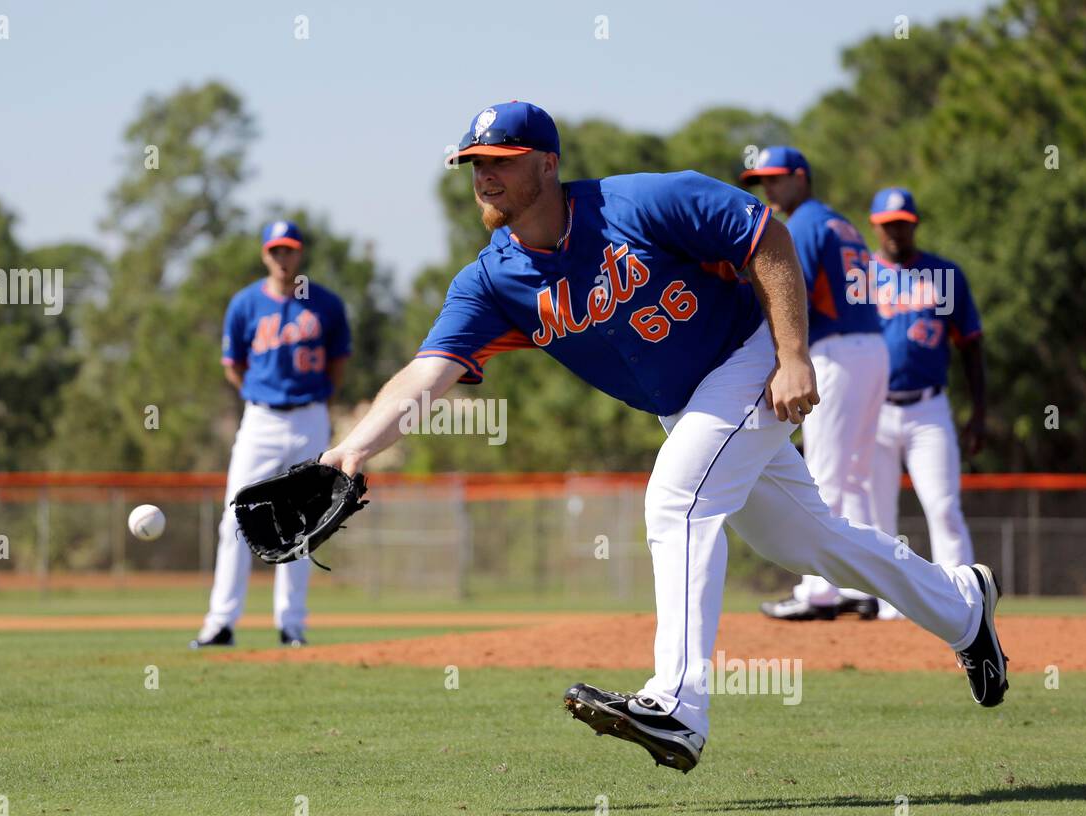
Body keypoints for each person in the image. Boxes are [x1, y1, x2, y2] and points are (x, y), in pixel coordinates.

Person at [317, 101, 1008, 773]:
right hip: (685, 406)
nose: (484, 175)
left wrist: (794, 353)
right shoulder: (493, 280)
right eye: (474, 162)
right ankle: (961, 604)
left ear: (548, 164)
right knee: (806, 542)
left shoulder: (642, 202)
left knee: (676, 499)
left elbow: (766, 237)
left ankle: (676, 704)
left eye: (500, 160)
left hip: (747, 359)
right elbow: (426, 373)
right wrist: (353, 450)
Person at [741, 148, 888, 621]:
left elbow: (788, 291)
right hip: (871, 349)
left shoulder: (801, 224)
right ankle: (873, 587)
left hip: (836, 351)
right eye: (762, 181)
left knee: (824, 471)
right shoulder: (841, 224)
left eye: (777, 179)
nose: (769, 189)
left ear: (801, 177)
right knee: (856, 475)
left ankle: (818, 592)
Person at [190, 220, 351, 649]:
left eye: (290, 250)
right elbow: (233, 363)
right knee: (234, 519)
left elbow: (338, 362)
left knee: (303, 524)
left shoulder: (326, 305)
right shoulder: (245, 304)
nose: (283, 258)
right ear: (265, 255)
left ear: (300, 254)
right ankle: (220, 623)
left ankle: (292, 624)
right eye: (276, 251)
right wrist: (256, 395)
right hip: (260, 418)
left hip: (309, 416)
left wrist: (318, 398)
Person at [867, 188, 985, 620]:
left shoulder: (944, 276)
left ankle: (965, 602)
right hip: (872, 410)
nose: (896, 229)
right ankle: (887, 604)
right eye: (888, 222)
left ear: (914, 223)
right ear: (874, 225)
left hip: (928, 408)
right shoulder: (858, 276)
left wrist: (980, 413)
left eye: (903, 221)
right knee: (878, 514)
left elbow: (972, 345)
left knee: (943, 506)